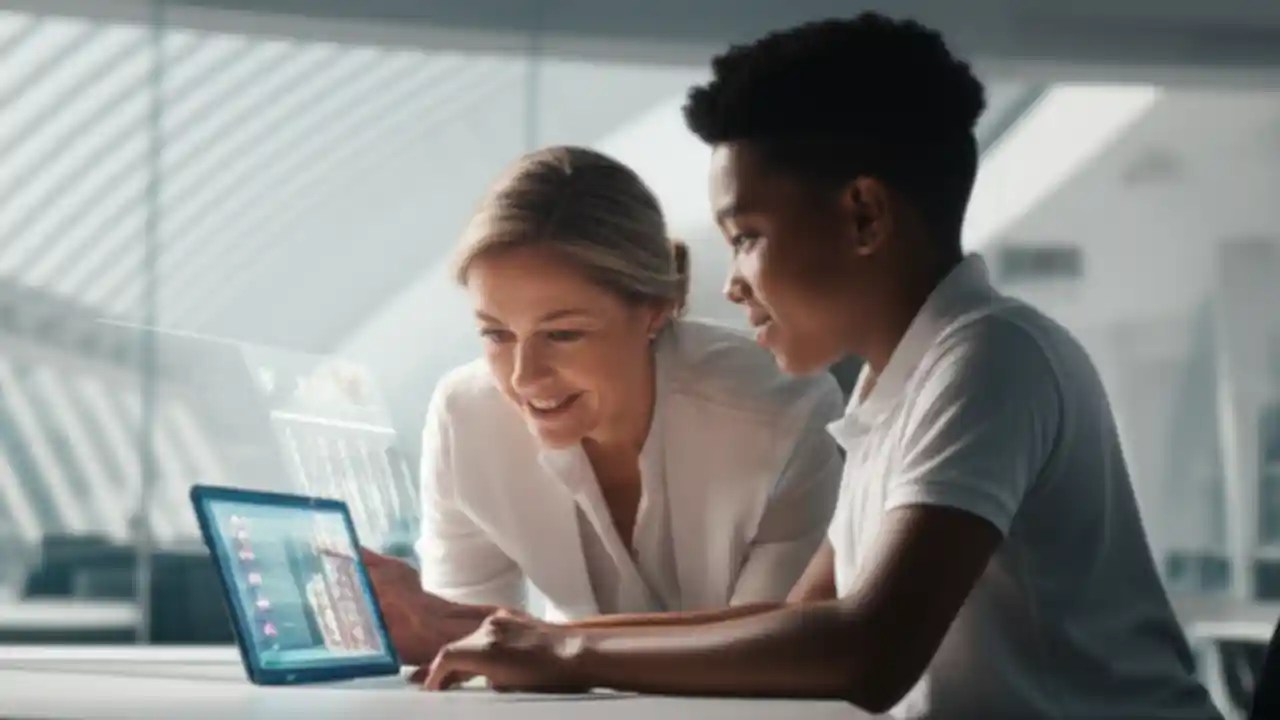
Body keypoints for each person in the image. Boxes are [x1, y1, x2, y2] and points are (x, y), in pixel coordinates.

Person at [420, 14, 1222, 719]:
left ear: (865, 215)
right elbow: (791, 624)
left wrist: (567, 655)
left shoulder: (991, 357)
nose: (730, 282)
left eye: (747, 237)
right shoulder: (891, 388)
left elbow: (866, 651)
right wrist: (543, 640)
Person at [362, 146, 844, 668]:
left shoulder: (781, 412)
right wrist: (431, 626)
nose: (524, 376)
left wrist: (543, 646)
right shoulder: (466, 419)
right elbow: (472, 661)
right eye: (496, 334)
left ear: (656, 310)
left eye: (563, 333)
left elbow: (764, 652)